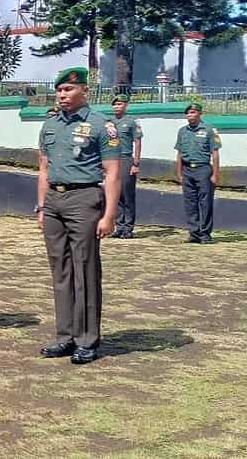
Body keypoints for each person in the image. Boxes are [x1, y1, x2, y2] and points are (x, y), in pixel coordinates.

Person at [36, 67, 121, 365]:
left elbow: (112, 173)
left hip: (84, 198)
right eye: (59, 90)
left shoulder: (101, 125)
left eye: (69, 89)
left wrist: (109, 214)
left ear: (84, 91)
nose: (62, 94)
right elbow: (44, 168)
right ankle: (66, 336)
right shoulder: (49, 126)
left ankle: (87, 339)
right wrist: (42, 206)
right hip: (54, 201)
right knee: (60, 270)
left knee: (84, 269)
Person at [175, 102, 221, 244]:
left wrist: (215, 174)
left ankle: (205, 233)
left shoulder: (209, 130)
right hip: (187, 170)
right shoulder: (182, 131)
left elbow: (215, 154)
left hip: (203, 169)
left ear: (200, 114)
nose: (190, 115)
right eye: (188, 113)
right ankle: (194, 232)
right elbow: (179, 154)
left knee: (205, 202)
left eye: (193, 112)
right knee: (190, 202)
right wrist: (179, 173)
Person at [110, 95, 142, 239]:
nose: (117, 107)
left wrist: (136, 163)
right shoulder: (109, 123)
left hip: (126, 159)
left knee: (127, 194)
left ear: (125, 106)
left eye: (120, 104)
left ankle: (128, 227)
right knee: (115, 194)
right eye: (115, 104)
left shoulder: (131, 122)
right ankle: (119, 226)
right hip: (112, 160)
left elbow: (137, 142)